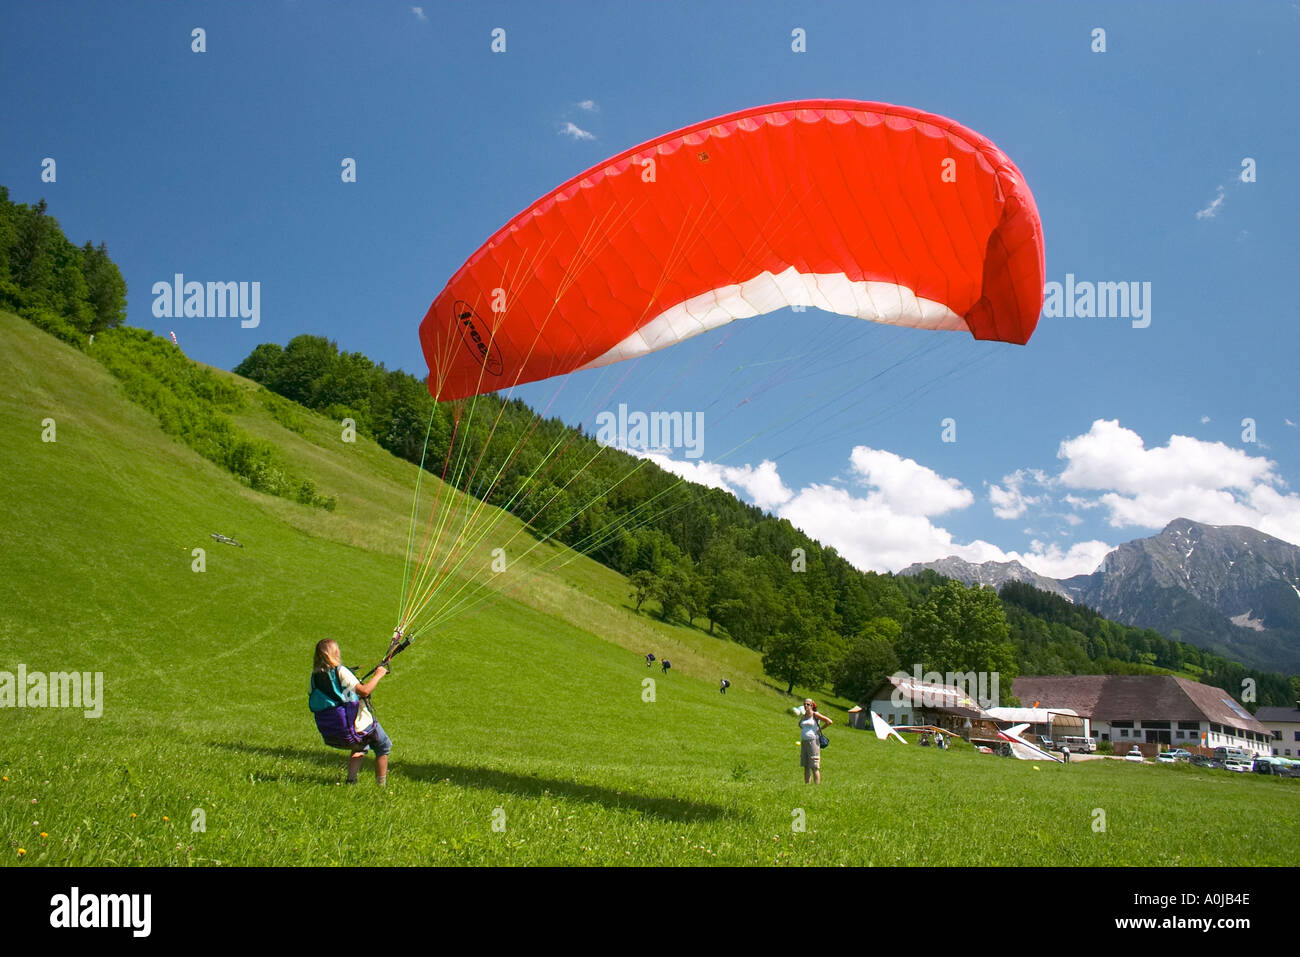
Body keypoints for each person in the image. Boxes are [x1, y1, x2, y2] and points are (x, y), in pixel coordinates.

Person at [309, 639, 392, 785]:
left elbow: (332, 696)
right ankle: (382, 786)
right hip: (356, 725)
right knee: (383, 745)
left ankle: (351, 781)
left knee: (361, 745)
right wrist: (379, 674)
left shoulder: (315, 677)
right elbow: (365, 691)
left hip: (334, 728)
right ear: (334, 653)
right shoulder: (340, 671)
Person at [797, 698, 832, 784]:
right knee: (806, 765)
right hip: (804, 742)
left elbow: (829, 721)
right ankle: (807, 786)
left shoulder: (815, 715)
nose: (805, 706)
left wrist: (819, 730)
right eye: (804, 704)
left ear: (812, 706)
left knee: (814, 766)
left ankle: (817, 787)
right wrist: (806, 731)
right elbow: (799, 724)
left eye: (808, 704)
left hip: (813, 742)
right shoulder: (804, 716)